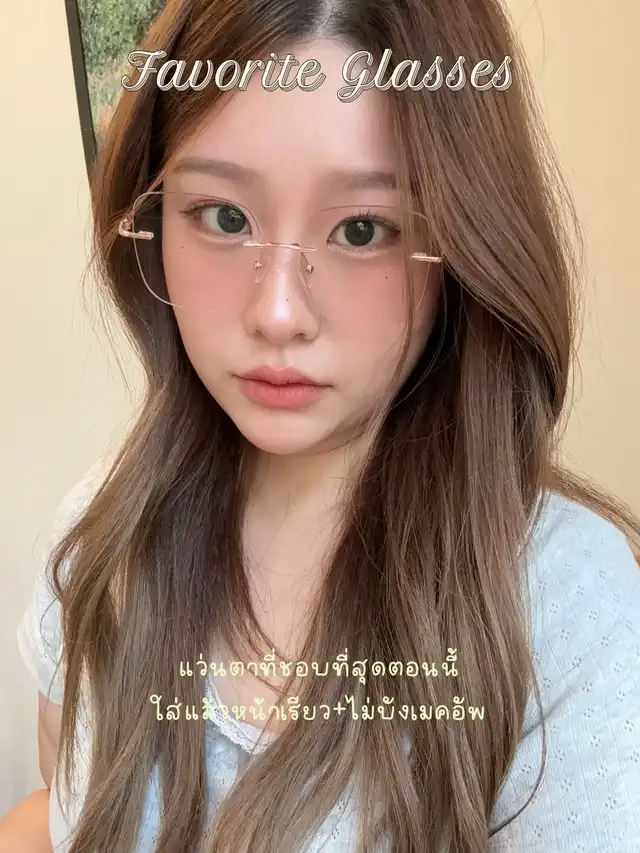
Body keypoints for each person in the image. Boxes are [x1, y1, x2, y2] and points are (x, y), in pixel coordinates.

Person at [4, 0, 640, 851]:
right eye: (224, 216)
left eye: (362, 229)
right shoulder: (101, 533)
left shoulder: (566, 610)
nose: (277, 312)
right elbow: (57, 811)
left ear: (468, 247)